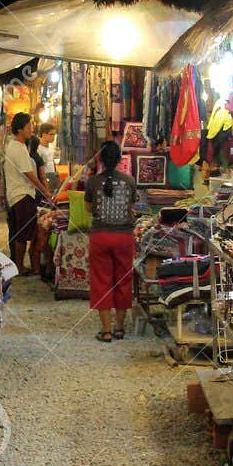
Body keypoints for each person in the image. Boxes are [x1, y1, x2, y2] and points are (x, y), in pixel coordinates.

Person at [85, 140, 139, 342]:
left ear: (100, 158)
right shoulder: (129, 180)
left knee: (101, 281)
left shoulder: (93, 182)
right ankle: (119, 328)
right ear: (118, 160)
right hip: (124, 237)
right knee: (123, 281)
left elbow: (89, 209)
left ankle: (106, 331)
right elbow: (133, 205)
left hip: (100, 236)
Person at [2, 112, 46, 274]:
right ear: (20, 129)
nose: (32, 129)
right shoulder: (18, 148)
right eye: (29, 126)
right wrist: (45, 190)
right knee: (22, 233)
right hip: (22, 194)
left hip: (16, 194)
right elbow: (30, 174)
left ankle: (17, 265)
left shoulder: (16, 146)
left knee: (18, 231)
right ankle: (19, 266)